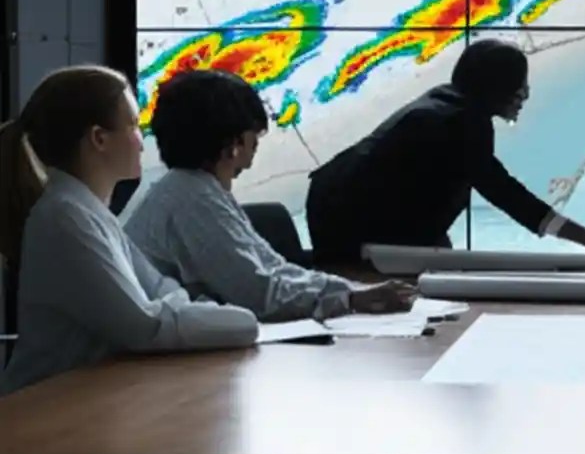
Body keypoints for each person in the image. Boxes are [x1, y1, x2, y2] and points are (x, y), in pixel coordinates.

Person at [0, 66, 258, 395]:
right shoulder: (65, 218)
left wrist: (205, 314)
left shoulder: (88, 211)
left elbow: (162, 290)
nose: (141, 142)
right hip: (41, 416)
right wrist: (244, 322)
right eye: (134, 125)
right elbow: (144, 326)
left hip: (81, 403)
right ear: (99, 139)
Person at [306, 39, 585, 273]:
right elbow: (507, 195)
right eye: (519, 84)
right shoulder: (461, 122)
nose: (524, 94)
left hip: (334, 207)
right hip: (349, 228)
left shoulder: (448, 103)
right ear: (496, 87)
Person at [124, 70, 418, 322]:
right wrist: (349, 300)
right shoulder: (192, 200)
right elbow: (257, 292)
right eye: (254, 140)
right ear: (234, 143)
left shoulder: (193, 189)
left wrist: (349, 290)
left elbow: (274, 268)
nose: (252, 157)